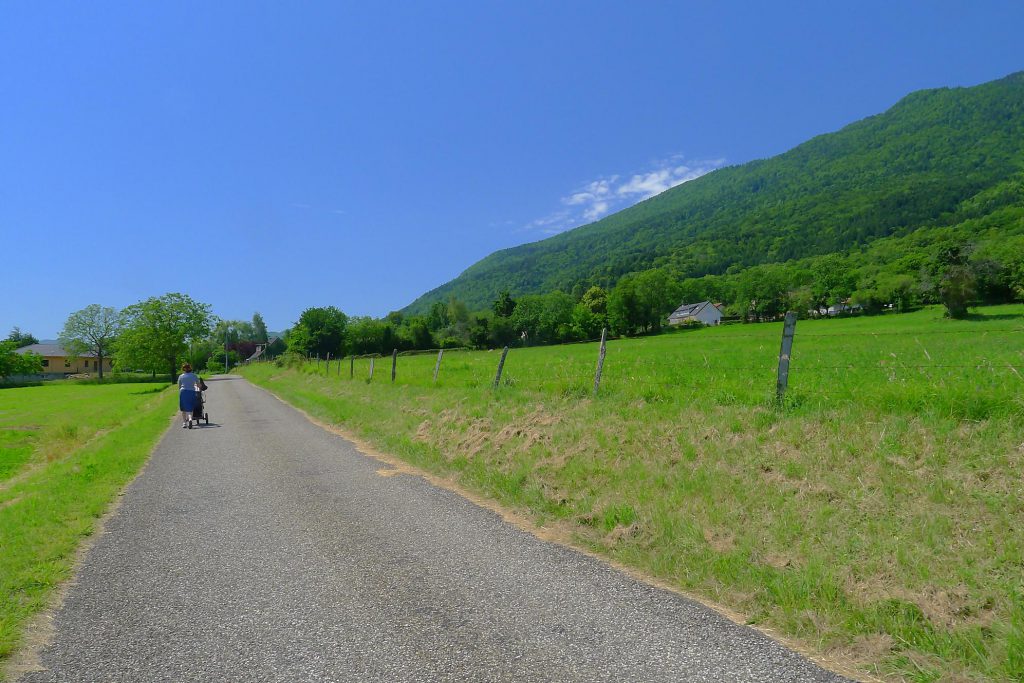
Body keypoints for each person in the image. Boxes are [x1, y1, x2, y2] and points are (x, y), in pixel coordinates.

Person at [178, 363, 201, 429]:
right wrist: (201, 387)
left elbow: (179, 386)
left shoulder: (181, 376)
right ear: (190, 368)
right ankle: (190, 418)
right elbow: (198, 385)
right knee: (190, 407)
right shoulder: (194, 375)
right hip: (191, 392)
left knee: (183, 408)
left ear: (183, 369)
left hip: (183, 392)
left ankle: (184, 423)